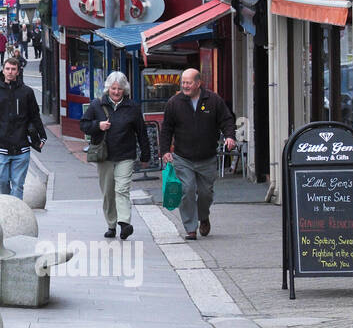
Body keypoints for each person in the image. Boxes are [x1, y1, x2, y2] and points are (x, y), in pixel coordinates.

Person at [159, 68, 236, 240]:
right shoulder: (174, 102)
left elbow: (227, 119)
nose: (185, 86)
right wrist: (164, 151)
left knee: (205, 193)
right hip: (182, 157)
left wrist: (230, 136)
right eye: (183, 82)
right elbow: (166, 129)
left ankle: (204, 216)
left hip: (207, 157)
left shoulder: (213, 100)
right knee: (187, 190)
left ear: (198, 83)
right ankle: (190, 228)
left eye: (188, 82)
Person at [80, 71, 150, 240]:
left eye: (119, 89)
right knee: (108, 193)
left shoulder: (132, 107)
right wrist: (98, 125)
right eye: (113, 88)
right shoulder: (97, 105)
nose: (116, 92)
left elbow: (141, 132)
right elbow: (84, 125)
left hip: (126, 155)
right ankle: (111, 224)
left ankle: (124, 223)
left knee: (122, 189)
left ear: (124, 90)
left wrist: (146, 155)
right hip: (105, 156)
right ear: (108, 89)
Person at [0, 56, 46, 199]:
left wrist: (42, 136)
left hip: (22, 147)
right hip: (2, 146)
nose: (10, 72)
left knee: (18, 184)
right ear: (3, 71)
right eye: (7, 69)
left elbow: (35, 115)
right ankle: (7, 206)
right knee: (2, 181)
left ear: (18, 72)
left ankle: (16, 214)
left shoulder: (27, 92)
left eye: (13, 69)